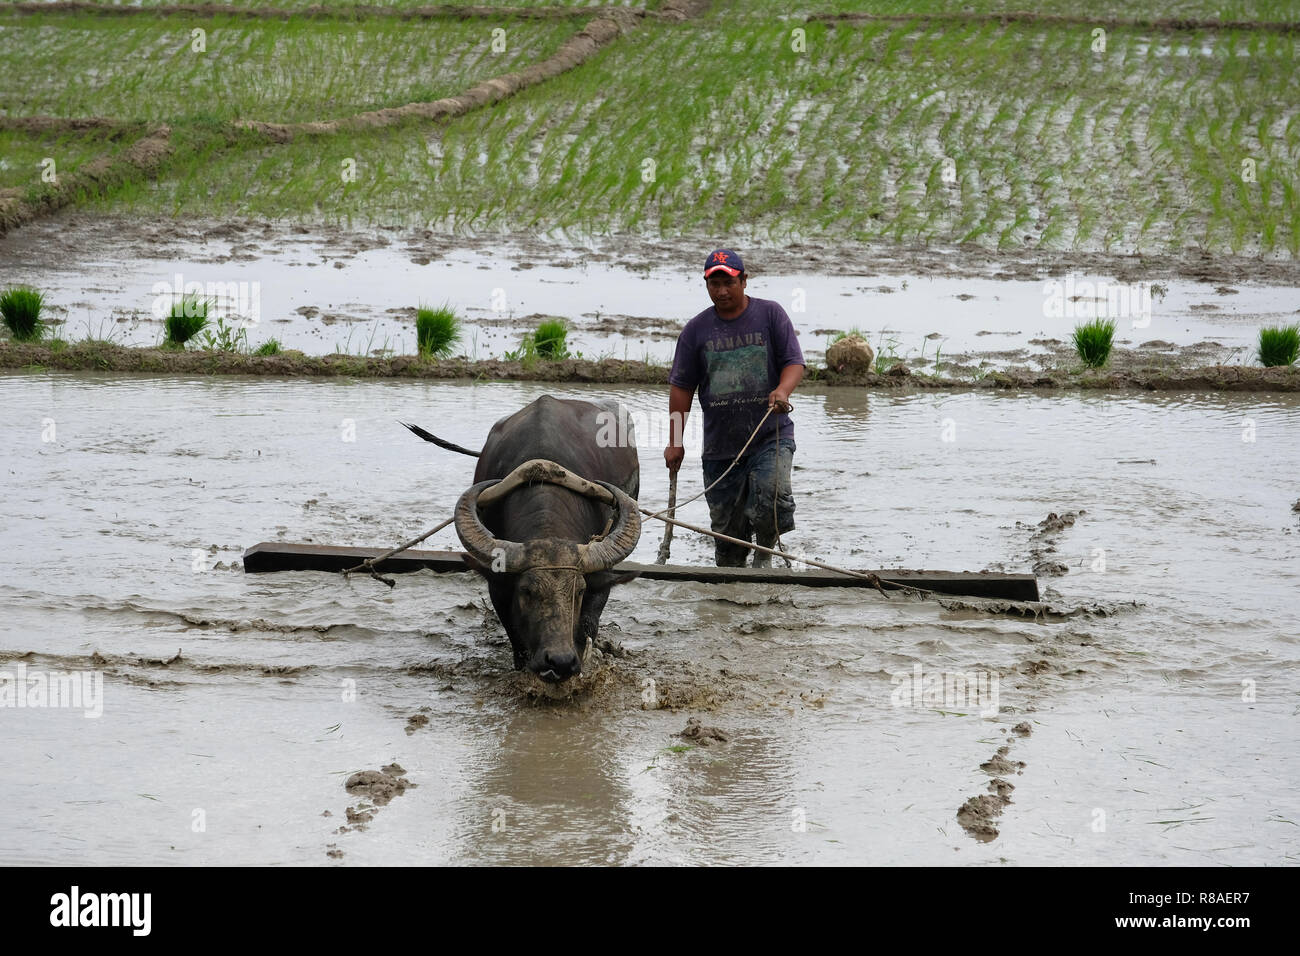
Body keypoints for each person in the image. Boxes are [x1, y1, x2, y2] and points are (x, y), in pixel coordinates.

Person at [664, 249, 805, 567]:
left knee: (772, 495)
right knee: (728, 543)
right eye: (714, 284)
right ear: (706, 286)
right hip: (721, 447)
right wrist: (675, 441)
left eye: (728, 283)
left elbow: (794, 363)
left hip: (770, 435)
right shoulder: (696, 331)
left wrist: (782, 390)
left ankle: (766, 552)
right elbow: (681, 389)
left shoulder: (771, 315)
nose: (722, 291)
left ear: (743, 281)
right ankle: (733, 587)